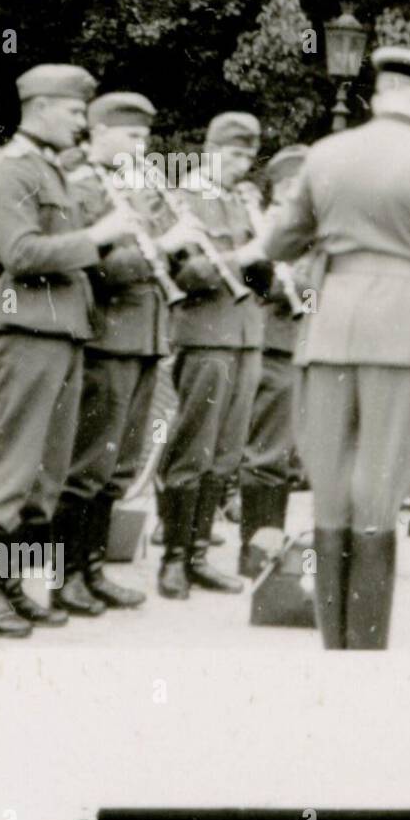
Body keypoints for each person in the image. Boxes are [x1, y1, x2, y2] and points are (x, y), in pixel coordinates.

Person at [261, 45, 410, 649]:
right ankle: (366, 658)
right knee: (379, 492)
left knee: (330, 493)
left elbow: (277, 246)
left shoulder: (325, 153)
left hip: (328, 328)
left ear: (378, 97)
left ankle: (335, 650)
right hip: (404, 333)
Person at [0, 64, 136, 637]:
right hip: (25, 333)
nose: (82, 124)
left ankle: (17, 586)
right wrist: (98, 238)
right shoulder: (11, 172)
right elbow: (20, 252)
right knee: (10, 473)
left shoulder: (51, 171)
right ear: (43, 107)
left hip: (64, 334)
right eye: (76, 112)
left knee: (45, 478)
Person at [54, 92, 196, 614]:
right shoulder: (83, 186)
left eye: (145, 137)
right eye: (132, 137)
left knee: (119, 465)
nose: (142, 147)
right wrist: (163, 247)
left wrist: (176, 246)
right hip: (106, 338)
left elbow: (165, 267)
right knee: (88, 461)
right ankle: (64, 576)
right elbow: (99, 269)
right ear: (99, 131)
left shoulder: (137, 189)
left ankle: (92, 570)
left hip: (144, 339)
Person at [154, 112, 272, 600]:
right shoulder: (184, 200)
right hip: (204, 334)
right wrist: (239, 259)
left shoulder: (241, 202)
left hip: (246, 335)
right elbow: (183, 274)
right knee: (193, 447)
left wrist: (265, 243)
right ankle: (175, 558)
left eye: (248, 155)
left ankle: (200, 553)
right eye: (233, 153)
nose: (241, 164)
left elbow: (261, 281)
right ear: (209, 148)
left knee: (225, 451)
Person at [237, 143, 312, 576]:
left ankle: (271, 545)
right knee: (267, 454)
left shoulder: (310, 231)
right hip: (275, 344)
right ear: (283, 188)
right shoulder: (263, 228)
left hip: (305, 345)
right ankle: (254, 554)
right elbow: (251, 282)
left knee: (283, 457)